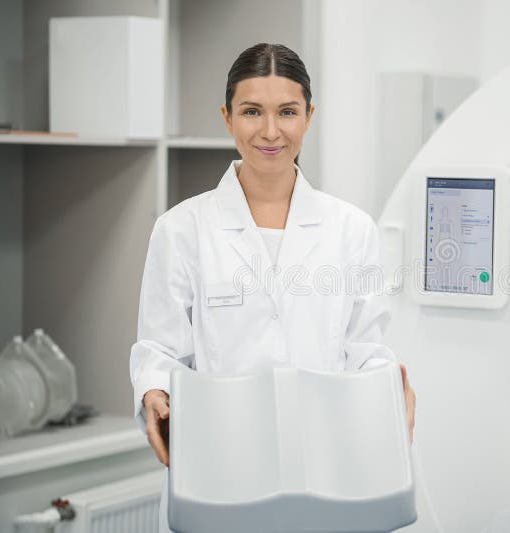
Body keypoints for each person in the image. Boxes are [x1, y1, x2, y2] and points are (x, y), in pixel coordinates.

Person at [128, 43, 416, 532]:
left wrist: (389, 394)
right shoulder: (182, 229)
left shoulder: (351, 228)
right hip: (218, 467)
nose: (269, 131)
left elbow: (366, 346)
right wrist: (153, 390)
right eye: (251, 112)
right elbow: (158, 348)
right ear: (227, 117)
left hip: (329, 466)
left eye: (287, 112)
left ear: (309, 115)